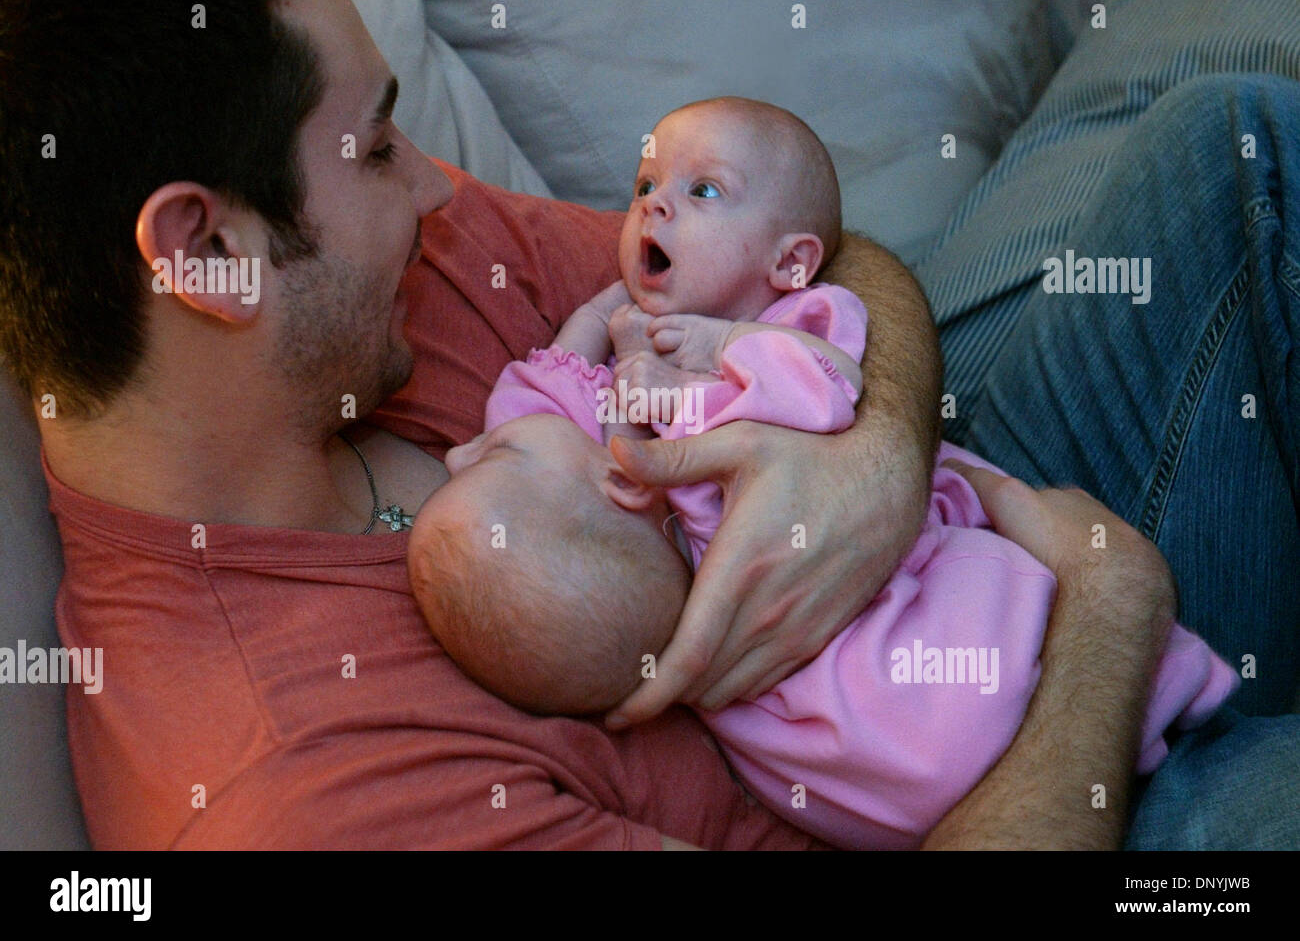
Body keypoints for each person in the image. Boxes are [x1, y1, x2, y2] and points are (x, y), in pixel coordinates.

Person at [0, 0, 1290, 849]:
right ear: (201, 253)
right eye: (382, 149)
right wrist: (1112, 615)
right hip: (1002, 787)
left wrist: (880, 455)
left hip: (957, 524)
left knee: (1234, 152)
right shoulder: (314, 788)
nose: (439, 193)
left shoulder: (371, 285)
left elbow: (825, 260)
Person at [407, 97, 1238, 849]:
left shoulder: (610, 505)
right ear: (621, 487)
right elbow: (821, 388)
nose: (651, 203)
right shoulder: (680, 484)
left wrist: (619, 328)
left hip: (982, 725)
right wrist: (706, 353)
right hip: (1054, 706)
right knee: (1235, 149)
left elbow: (547, 397)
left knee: (1221, 136)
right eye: (652, 187)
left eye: (681, 189)